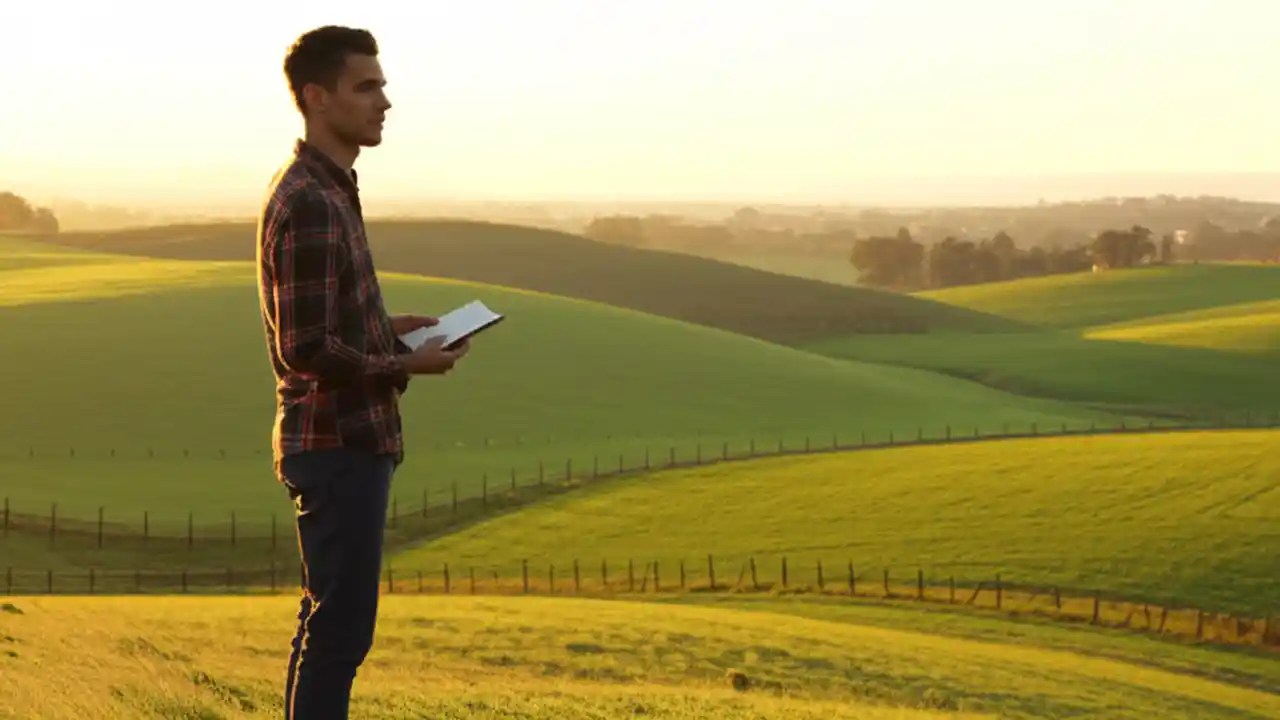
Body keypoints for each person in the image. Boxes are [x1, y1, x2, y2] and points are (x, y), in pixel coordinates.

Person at [255, 25, 470, 720]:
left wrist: (386, 326)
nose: (385, 101)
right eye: (367, 86)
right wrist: (403, 363)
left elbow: (327, 323)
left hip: (342, 440)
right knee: (342, 634)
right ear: (318, 98)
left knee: (327, 621)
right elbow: (305, 348)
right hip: (337, 442)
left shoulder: (330, 186)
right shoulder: (313, 201)